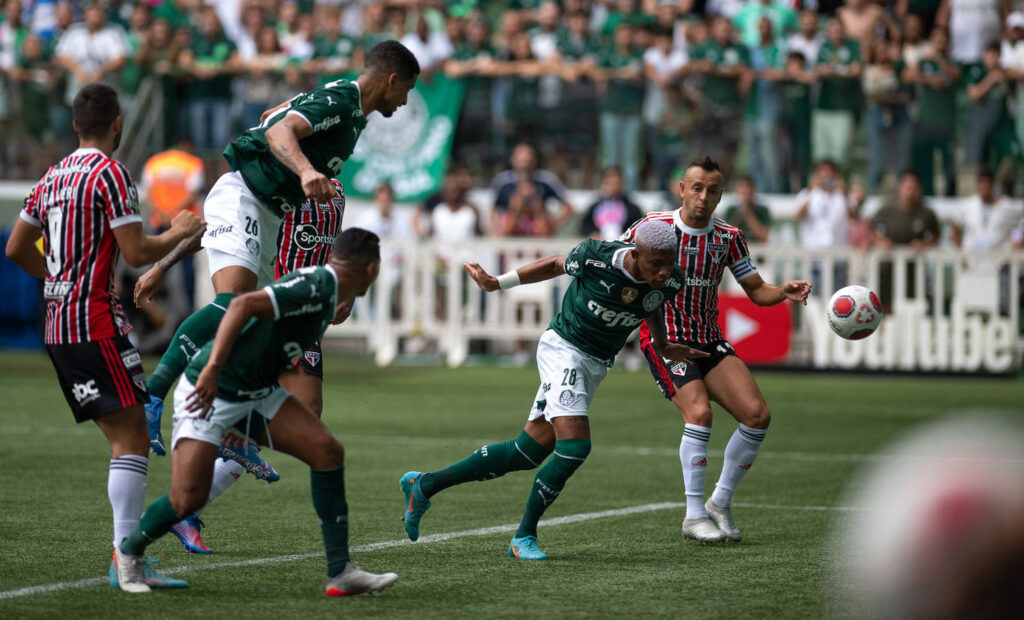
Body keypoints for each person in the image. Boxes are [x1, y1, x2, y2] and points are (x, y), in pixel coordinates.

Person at [139, 40, 419, 477]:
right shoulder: (343, 100)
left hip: (268, 214)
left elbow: (275, 117)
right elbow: (276, 131)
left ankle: (238, 429)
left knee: (254, 325)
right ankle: (153, 395)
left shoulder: (346, 107)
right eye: (407, 91)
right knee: (233, 303)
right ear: (392, 79)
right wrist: (307, 171)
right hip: (244, 197)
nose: (404, 102)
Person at [113, 229, 397, 597]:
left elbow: (271, 346)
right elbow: (240, 305)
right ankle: (129, 553)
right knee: (187, 498)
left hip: (255, 394)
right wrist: (214, 368)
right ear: (371, 268)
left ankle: (341, 572)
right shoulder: (314, 285)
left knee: (327, 452)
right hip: (210, 390)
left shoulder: (334, 297)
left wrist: (245, 422)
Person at [399, 220, 705, 559]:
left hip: (594, 365)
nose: (664, 272)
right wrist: (497, 283)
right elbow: (555, 264)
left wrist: (664, 344)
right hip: (563, 348)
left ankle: (423, 485)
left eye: (669, 262)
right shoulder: (597, 257)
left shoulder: (670, 280)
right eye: (656, 264)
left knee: (525, 452)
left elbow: (651, 305)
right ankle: (523, 537)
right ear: (636, 254)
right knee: (575, 446)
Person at [4, 83, 204, 588]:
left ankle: (127, 557)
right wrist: (180, 231)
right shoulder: (111, 174)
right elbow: (136, 252)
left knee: (126, 435)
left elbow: (14, 247)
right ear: (117, 123)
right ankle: (127, 559)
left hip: (58, 322)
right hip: (94, 321)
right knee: (132, 437)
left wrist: (55, 278)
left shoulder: (53, 175)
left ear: (75, 125)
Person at [621, 156, 812, 544]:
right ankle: (693, 515)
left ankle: (719, 503)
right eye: (696, 188)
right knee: (700, 412)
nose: (703, 197)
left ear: (721, 195)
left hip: (708, 339)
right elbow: (616, 268)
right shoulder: (651, 228)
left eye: (712, 190)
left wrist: (782, 292)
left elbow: (756, 291)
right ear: (681, 189)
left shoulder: (728, 237)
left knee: (757, 415)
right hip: (665, 339)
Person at [490, 142, 573, 233]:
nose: (525, 168)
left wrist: (553, 224)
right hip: (510, 231)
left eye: (528, 163)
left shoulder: (547, 180)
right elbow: (492, 210)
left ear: (534, 161)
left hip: (539, 233)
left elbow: (568, 207)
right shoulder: (502, 181)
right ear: (513, 161)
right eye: (521, 163)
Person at [579, 167, 645, 241]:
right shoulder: (595, 207)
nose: (613, 187)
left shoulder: (632, 209)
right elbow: (584, 226)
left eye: (616, 183)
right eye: (609, 183)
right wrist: (593, 233)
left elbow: (638, 228)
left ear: (622, 184)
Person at [722, 176, 772, 242]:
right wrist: (739, 214)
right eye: (742, 186)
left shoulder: (763, 210)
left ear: (754, 190)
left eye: (748, 186)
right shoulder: (731, 210)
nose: (746, 190)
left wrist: (748, 215)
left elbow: (764, 237)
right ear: (737, 190)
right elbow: (726, 236)